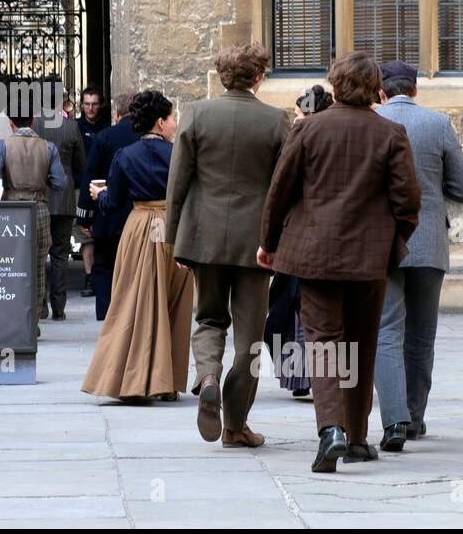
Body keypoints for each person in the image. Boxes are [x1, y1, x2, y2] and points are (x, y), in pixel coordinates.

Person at [259, 52, 421, 472]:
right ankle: (356, 437)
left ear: (335, 85)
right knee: (362, 344)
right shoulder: (391, 133)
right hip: (369, 260)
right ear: (375, 88)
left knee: (324, 342)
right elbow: (408, 203)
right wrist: (391, 241)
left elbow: (281, 191)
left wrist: (269, 243)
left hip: (315, 256)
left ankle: (330, 430)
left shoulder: (308, 129)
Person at [166, 44, 290, 447]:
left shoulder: (197, 115)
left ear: (223, 77)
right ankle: (236, 425)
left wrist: (174, 239)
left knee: (208, 319)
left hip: (204, 238)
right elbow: (284, 188)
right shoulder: (275, 121)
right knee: (250, 339)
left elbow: (178, 183)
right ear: (258, 77)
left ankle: (206, 376)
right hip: (256, 244)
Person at [373, 60, 463, 450]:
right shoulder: (438, 123)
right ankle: (414, 418)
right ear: (415, 90)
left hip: (383, 243)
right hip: (428, 242)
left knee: (386, 331)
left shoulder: (374, 122)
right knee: (421, 336)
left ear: (380, 92)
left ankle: (393, 418)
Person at [81, 90, 193, 402]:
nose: (174, 124)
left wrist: (97, 196)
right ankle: (166, 381)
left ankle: (134, 378)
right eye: (171, 118)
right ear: (160, 122)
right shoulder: (178, 154)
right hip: (173, 228)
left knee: (137, 301)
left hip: (141, 227)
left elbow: (114, 202)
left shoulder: (126, 156)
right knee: (173, 303)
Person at [263, 84, 334, 400]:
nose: (294, 119)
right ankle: (309, 377)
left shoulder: (299, 141)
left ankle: (304, 377)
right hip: (329, 237)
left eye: (297, 113)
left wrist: (269, 239)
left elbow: (280, 191)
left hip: (300, 235)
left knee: (299, 309)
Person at [0, 109, 68, 334]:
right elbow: (61, 183)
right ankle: (32, 319)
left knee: (9, 264)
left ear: (11, 123)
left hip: (11, 208)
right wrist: (44, 182)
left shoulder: (2, 146)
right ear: (32, 121)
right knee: (39, 264)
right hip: (38, 206)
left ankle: (12, 315)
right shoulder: (48, 147)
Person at [77, 92, 138, 320]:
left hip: (107, 211)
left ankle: (107, 314)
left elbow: (89, 178)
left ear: (117, 112)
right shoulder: (145, 138)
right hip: (137, 212)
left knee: (104, 265)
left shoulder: (104, 137)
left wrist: (84, 217)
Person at [35, 86, 87, 321]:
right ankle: (59, 306)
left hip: (39, 192)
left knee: (38, 252)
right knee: (60, 253)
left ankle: (41, 303)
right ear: (63, 102)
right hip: (64, 194)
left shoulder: (35, 126)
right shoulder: (71, 126)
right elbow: (81, 163)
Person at [74, 86, 110, 297]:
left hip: (106, 184)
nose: (90, 108)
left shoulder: (107, 126)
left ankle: (103, 273)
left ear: (101, 105)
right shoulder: (76, 127)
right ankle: (89, 276)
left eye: (94, 104)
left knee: (103, 232)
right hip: (82, 185)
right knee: (85, 235)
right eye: (86, 104)